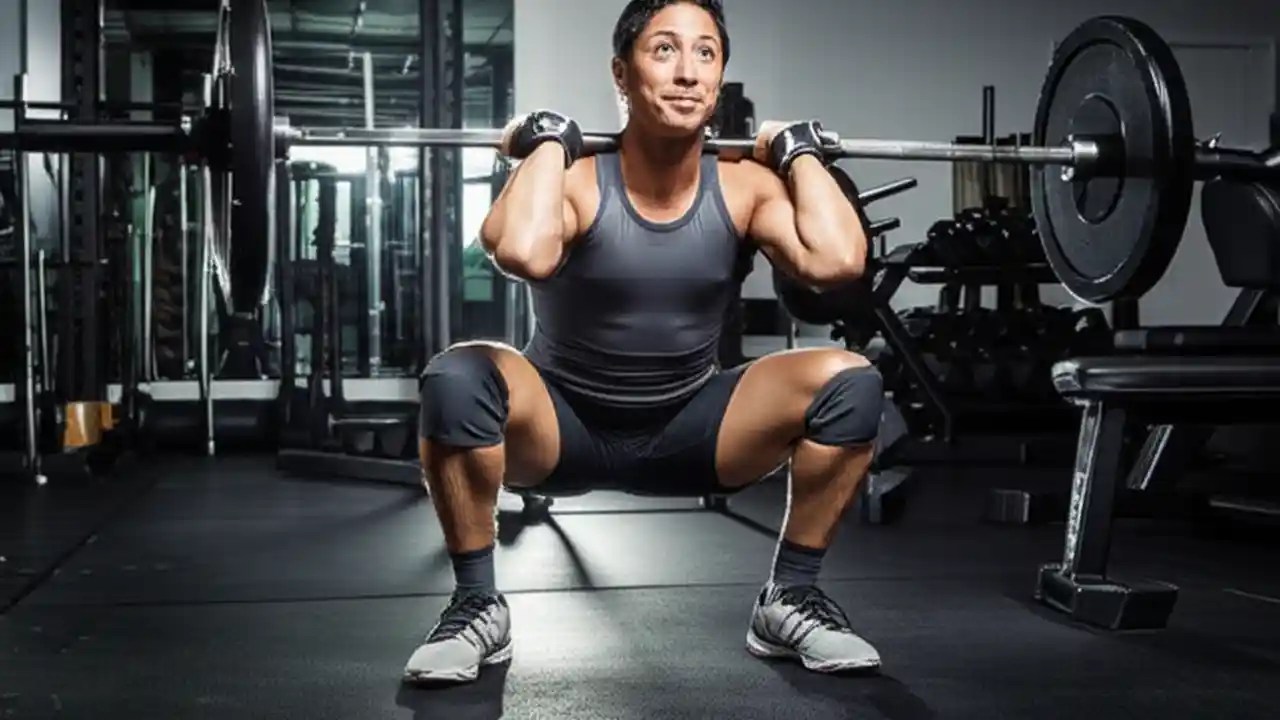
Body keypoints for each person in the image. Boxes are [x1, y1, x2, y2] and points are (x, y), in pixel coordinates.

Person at [405, 0, 883, 685]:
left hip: (695, 428)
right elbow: (519, 250)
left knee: (852, 381)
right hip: (560, 429)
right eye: (664, 50)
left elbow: (837, 262)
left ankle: (790, 599)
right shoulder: (576, 179)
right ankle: (477, 606)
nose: (687, 72)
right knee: (457, 377)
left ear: (719, 81)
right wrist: (548, 142)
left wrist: (798, 151)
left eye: (706, 54)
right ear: (621, 74)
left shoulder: (745, 186)